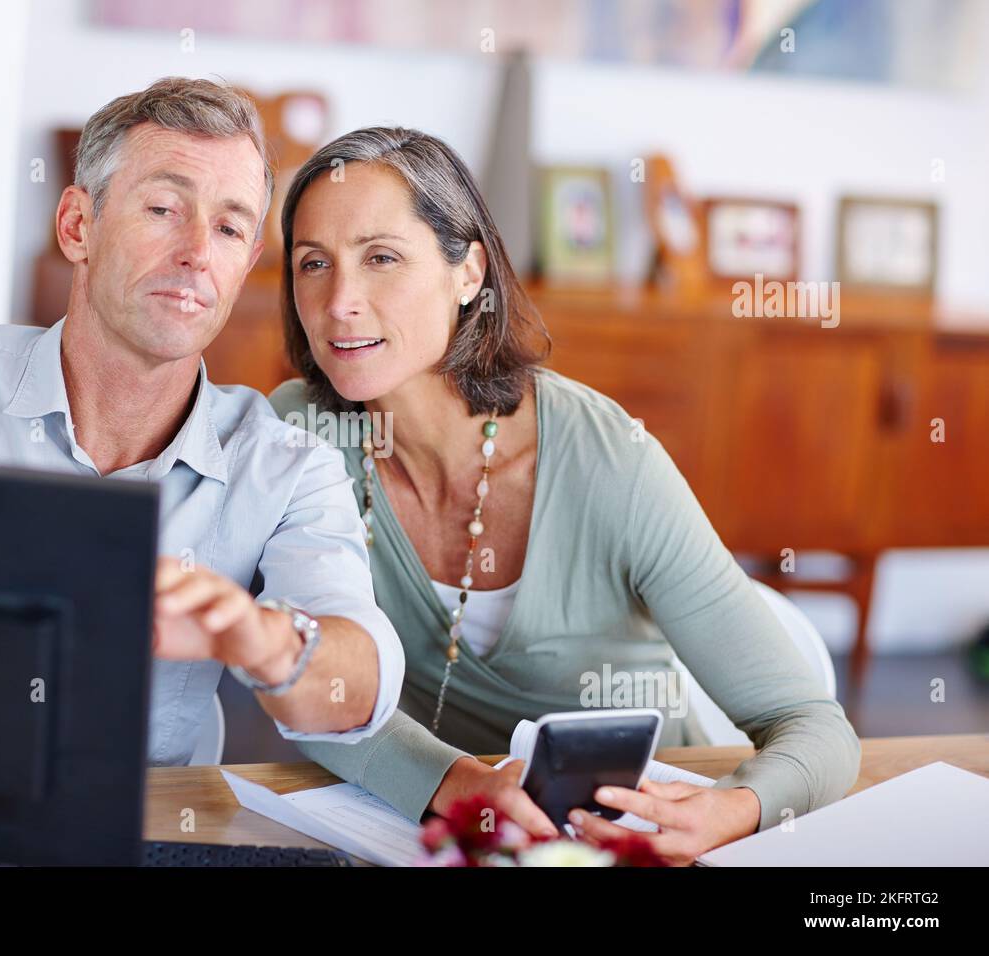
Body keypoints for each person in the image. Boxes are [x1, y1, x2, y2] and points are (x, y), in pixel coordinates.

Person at [0, 78, 404, 764]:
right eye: (162, 208)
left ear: (246, 264)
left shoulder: (287, 470)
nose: (196, 252)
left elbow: (353, 695)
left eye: (228, 227)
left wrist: (260, 638)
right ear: (77, 227)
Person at [268, 126, 860, 865]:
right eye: (312, 263)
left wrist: (732, 811)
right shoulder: (298, 434)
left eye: (381, 257)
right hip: (445, 836)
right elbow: (301, 684)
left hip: (634, 839)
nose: (340, 301)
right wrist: (449, 782)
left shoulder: (609, 461)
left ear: (468, 272)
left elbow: (813, 725)